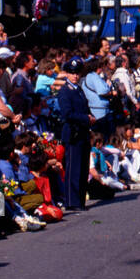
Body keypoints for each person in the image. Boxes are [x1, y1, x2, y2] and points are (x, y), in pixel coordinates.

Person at [57, 61, 92, 210]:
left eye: (77, 73)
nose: (75, 76)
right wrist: (86, 118)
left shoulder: (78, 89)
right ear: (67, 73)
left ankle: (80, 200)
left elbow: (84, 107)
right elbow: (67, 114)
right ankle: (72, 201)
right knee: (74, 168)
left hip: (83, 131)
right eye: (72, 73)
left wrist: (89, 116)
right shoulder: (65, 91)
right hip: (73, 132)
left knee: (83, 167)